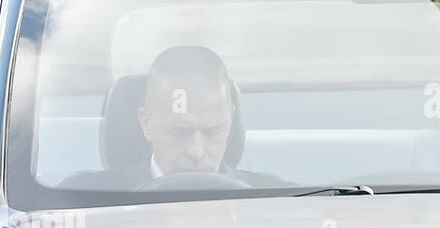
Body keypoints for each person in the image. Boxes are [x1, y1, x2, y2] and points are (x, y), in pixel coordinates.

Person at [63, 43, 281, 190]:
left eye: (212, 131)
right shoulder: (80, 203)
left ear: (231, 121)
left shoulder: (277, 203)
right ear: (146, 124)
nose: (196, 152)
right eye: (179, 132)